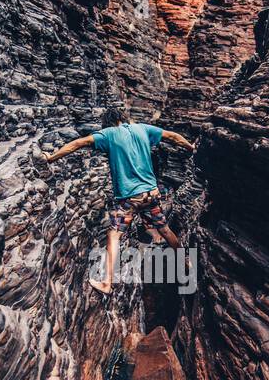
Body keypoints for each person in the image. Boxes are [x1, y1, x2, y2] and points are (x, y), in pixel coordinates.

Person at [45, 107, 196, 294]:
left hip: (130, 199)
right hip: (151, 194)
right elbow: (173, 137)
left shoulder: (108, 134)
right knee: (165, 229)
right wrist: (191, 147)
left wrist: (51, 158)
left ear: (108, 122)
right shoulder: (143, 129)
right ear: (123, 118)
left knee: (113, 235)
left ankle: (107, 284)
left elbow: (77, 143)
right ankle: (186, 261)